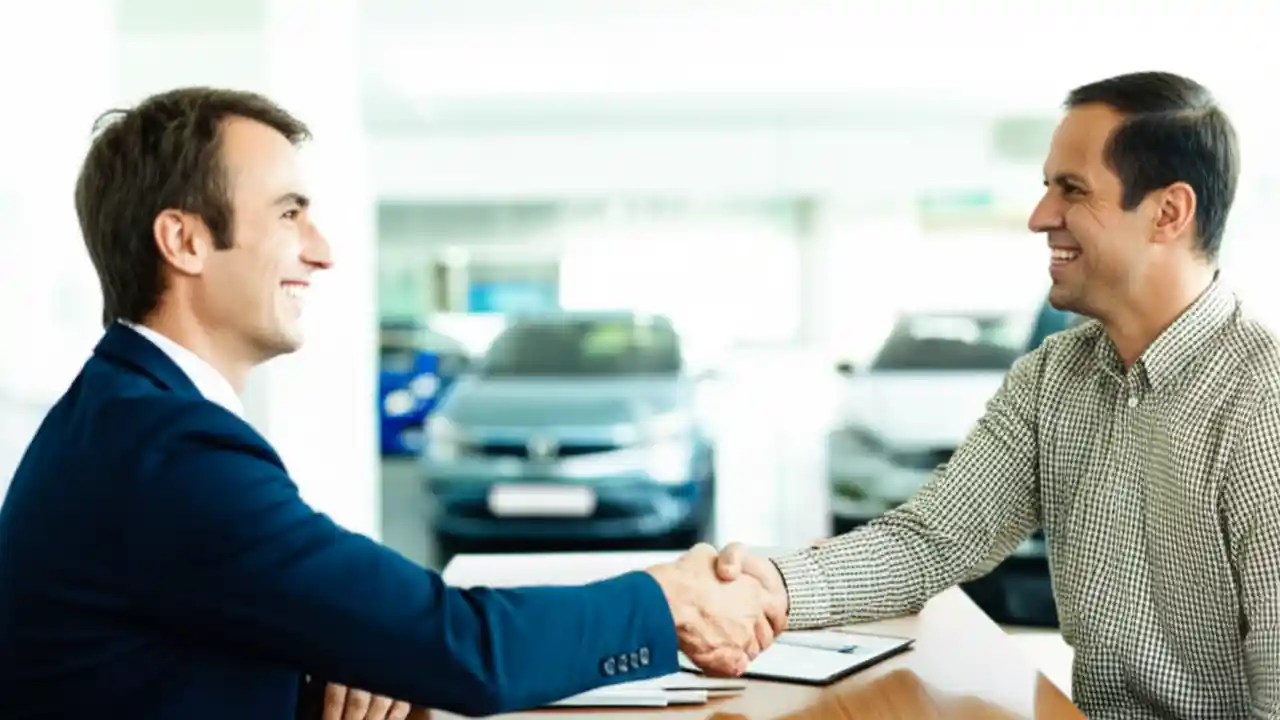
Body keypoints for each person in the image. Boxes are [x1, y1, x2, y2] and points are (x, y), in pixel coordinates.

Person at [0, 87, 785, 719]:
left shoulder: (128, 412)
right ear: (185, 242)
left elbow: (241, 623)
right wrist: (666, 601)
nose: (323, 248)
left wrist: (354, 648)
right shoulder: (168, 448)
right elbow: (465, 651)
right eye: (287, 212)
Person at [717, 71, 1280, 719]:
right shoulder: (1053, 377)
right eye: (1047, 188)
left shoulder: (1261, 401)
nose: (1042, 217)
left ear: (1168, 212)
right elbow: (933, 540)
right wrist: (771, 586)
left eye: (1072, 190)